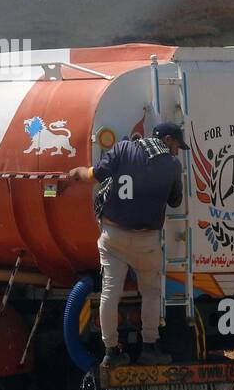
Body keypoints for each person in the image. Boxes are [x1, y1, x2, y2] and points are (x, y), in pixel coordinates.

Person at [64, 120, 187, 368]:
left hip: (113, 236)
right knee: (151, 292)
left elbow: (93, 175)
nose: (176, 152)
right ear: (168, 140)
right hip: (147, 240)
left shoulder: (122, 150)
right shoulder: (172, 165)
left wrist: (74, 173)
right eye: (176, 146)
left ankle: (111, 351)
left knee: (111, 293)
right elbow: (175, 202)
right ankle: (150, 346)